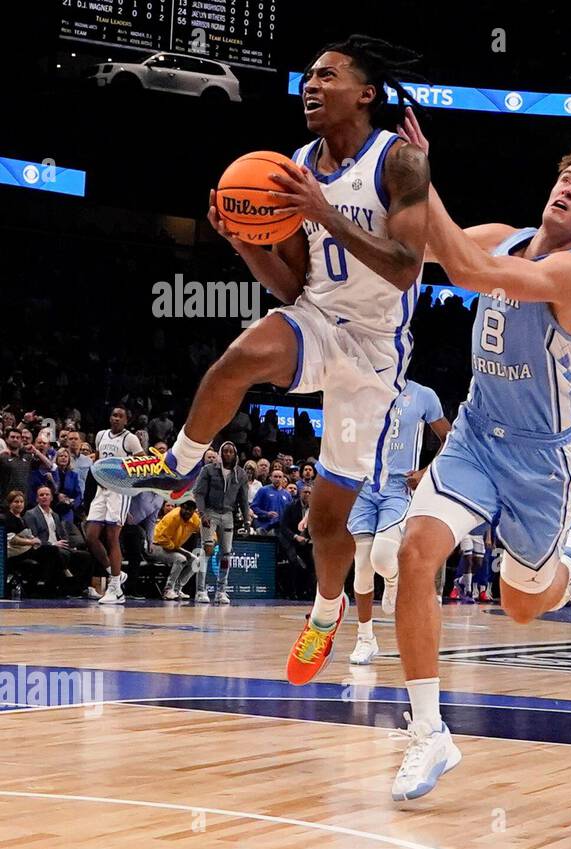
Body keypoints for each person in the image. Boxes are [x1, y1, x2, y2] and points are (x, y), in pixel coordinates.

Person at [88, 36, 433, 681]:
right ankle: (176, 467)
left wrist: (323, 211)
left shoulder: (400, 161)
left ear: (364, 93)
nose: (311, 85)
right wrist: (245, 242)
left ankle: (326, 616)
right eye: (307, 75)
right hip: (319, 319)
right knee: (236, 359)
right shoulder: (294, 163)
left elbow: (406, 269)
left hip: (376, 352)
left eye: (327, 75)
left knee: (330, 518)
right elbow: (291, 287)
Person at [388, 109, 571, 800]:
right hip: (474, 433)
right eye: (566, 176)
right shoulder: (509, 237)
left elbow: (468, 270)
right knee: (416, 551)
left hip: (540, 462)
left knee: (522, 607)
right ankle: (429, 733)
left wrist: (424, 170)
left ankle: (569, 555)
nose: (569, 187)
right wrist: (334, 210)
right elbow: (420, 245)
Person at [346, 379, 450, 665]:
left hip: (398, 487)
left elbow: (449, 438)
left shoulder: (423, 395)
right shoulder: (363, 389)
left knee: (381, 558)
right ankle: (365, 638)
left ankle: (392, 579)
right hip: (364, 486)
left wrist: (427, 471)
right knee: (363, 565)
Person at [85, 407, 145, 605]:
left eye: (120, 416)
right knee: (91, 536)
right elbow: (99, 460)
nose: (115, 419)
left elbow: (143, 464)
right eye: (113, 415)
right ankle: (115, 573)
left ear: (127, 420)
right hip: (101, 489)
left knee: (112, 537)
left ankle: (115, 588)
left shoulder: (130, 439)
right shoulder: (101, 436)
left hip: (119, 490)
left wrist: (125, 476)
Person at [192, 441, 251, 604]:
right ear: (220, 453)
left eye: (231, 451)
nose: (228, 454)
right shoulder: (208, 470)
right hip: (210, 512)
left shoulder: (240, 474)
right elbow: (198, 493)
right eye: (225, 451)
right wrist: (202, 513)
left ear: (236, 454)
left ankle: (221, 590)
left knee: (226, 554)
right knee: (207, 549)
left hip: (228, 514)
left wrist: (246, 520)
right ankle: (200, 590)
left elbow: (244, 500)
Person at [153, 500, 203, 600]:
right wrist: (182, 551)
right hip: (155, 545)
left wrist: (212, 540)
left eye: (190, 510)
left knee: (196, 562)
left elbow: (203, 529)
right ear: (181, 507)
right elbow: (162, 540)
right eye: (185, 508)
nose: (187, 512)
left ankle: (177, 589)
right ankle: (168, 590)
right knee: (181, 558)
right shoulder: (172, 517)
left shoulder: (194, 518)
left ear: (194, 511)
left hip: (171, 546)